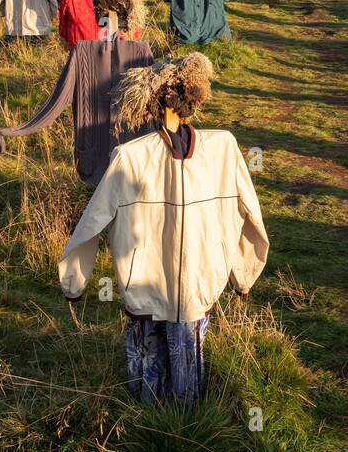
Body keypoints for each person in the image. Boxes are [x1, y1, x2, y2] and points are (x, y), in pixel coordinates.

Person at [62, 53, 268, 405]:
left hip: (185, 290)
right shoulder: (132, 158)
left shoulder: (221, 150)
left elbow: (91, 223)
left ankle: (176, 432)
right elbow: (93, 221)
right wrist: (242, 275)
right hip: (153, 292)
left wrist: (73, 283)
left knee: (159, 383)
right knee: (163, 389)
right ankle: (159, 432)